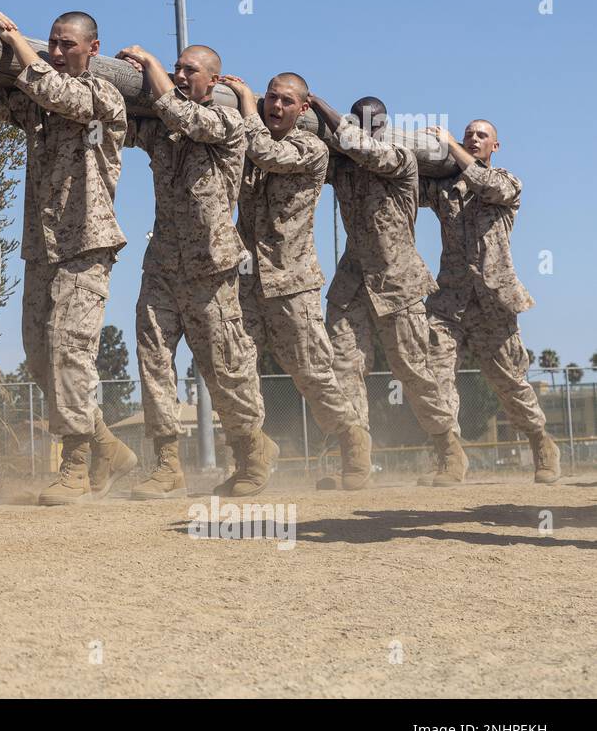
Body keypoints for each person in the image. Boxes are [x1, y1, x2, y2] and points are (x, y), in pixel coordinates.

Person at [0, 10, 136, 504]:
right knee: (39, 353)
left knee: (71, 349)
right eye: (50, 42)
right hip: (42, 245)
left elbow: (57, 93)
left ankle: (75, 461)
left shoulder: (102, 95)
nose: (56, 51)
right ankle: (107, 446)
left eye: (67, 44)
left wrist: (14, 39)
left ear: (93, 49)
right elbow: (4, 102)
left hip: (87, 244)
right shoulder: (41, 103)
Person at [117, 43, 277, 499]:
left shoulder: (227, 123)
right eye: (177, 68)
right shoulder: (162, 131)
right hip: (164, 264)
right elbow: (126, 126)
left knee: (224, 366)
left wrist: (149, 65)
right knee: (153, 360)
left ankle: (251, 453)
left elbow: (186, 118)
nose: (181, 74)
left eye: (191, 70)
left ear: (212, 80)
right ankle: (167, 464)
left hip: (212, 267)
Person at [224, 73, 374, 490]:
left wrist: (244, 103)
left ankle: (352, 439)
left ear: (302, 109)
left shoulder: (310, 148)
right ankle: (252, 459)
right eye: (270, 97)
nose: (275, 106)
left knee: (311, 371)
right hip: (248, 279)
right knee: (237, 368)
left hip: (293, 281)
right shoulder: (248, 140)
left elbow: (267, 153)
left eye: (286, 101)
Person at [310, 94, 469, 486]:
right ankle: (356, 459)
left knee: (413, 368)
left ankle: (449, 450)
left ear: (385, 126)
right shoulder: (343, 166)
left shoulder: (400, 159)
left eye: (376, 123)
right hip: (353, 278)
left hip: (398, 278)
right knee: (343, 366)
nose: (370, 129)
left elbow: (365, 151)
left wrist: (320, 105)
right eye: (363, 122)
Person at [420, 121, 560, 485]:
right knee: (433, 374)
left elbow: (484, 183)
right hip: (449, 300)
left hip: (493, 300)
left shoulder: (507, 182)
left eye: (481, 135)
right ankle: (450, 453)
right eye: (468, 134)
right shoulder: (445, 188)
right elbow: (405, 182)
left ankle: (541, 442)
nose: (473, 139)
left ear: (495, 145)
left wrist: (449, 143)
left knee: (508, 381)